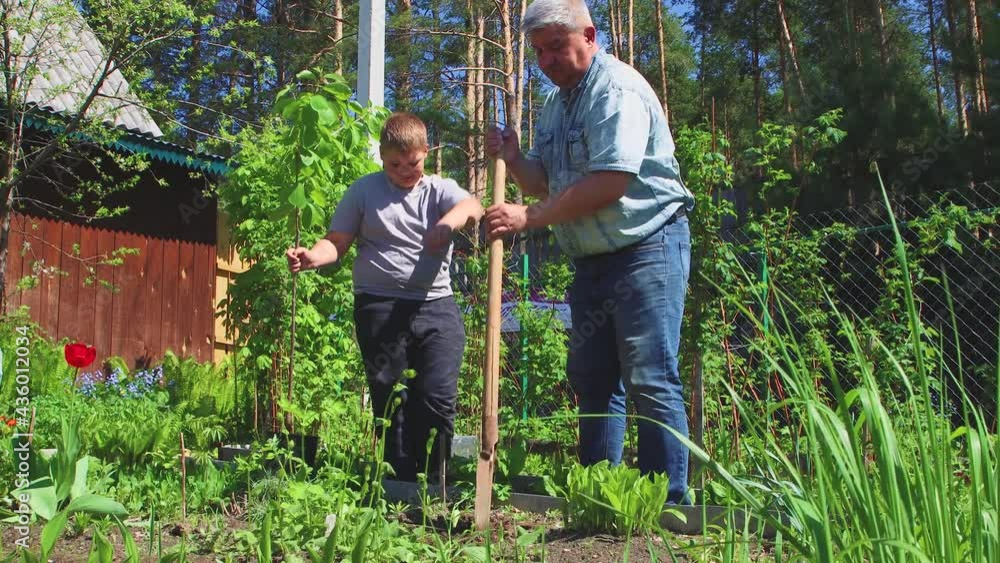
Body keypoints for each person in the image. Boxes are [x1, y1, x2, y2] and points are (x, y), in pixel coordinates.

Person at [484, 0, 695, 503]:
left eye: (556, 46)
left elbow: (611, 183)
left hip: (647, 246)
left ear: (590, 35)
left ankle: (666, 502)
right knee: (594, 378)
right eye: (539, 52)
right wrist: (514, 158)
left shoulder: (614, 89)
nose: (548, 60)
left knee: (649, 374)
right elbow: (543, 182)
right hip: (592, 260)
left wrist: (529, 218)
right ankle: (602, 495)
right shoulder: (559, 105)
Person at [287, 112, 483, 482]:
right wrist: (313, 257)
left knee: (438, 395)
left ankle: (435, 482)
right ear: (381, 156)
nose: (405, 170)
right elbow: (337, 242)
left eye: (413, 162)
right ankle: (397, 484)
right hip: (378, 305)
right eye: (395, 164)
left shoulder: (438, 190)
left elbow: (472, 207)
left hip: (435, 305)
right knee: (391, 397)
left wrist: (446, 223)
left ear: (426, 153)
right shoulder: (364, 191)